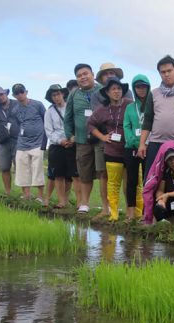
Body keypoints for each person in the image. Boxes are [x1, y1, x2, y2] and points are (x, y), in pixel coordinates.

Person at [138, 55, 174, 180]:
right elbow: (148, 119)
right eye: (163, 72)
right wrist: (142, 143)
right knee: (151, 179)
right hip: (156, 143)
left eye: (169, 71)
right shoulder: (153, 93)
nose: (166, 74)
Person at [64, 63, 108, 215]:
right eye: (79, 75)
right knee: (84, 173)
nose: (82, 77)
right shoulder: (74, 94)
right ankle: (84, 204)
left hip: (101, 137)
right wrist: (69, 135)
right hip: (82, 140)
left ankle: (105, 207)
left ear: (93, 74)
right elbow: (68, 117)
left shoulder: (103, 90)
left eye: (85, 74)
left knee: (103, 173)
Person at [88, 77, 132, 221]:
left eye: (119, 88)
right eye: (113, 89)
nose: (116, 91)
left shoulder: (130, 105)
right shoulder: (103, 109)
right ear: (107, 92)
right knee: (112, 183)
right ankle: (112, 214)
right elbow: (90, 124)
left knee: (129, 181)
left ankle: (129, 211)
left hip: (128, 148)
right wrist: (102, 137)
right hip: (111, 150)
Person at [43, 83, 79, 209]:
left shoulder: (71, 108)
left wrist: (73, 138)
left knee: (71, 175)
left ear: (63, 94)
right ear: (51, 97)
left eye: (58, 94)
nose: (56, 97)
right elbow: (49, 131)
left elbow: (77, 124)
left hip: (72, 143)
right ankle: (61, 201)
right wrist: (60, 141)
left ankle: (66, 198)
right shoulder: (49, 112)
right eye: (53, 95)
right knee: (58, 175)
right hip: (57, 145)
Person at [10, 83, 47, 201]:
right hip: (22, 143)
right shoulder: (15, 110)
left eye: (21, 92)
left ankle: (40, 196)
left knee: (37, 168)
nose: (20, 95)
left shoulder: (38, 105)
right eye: (17, 93)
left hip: (37, 141)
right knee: (21, 169)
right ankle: (26, 194)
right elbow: (17, 123)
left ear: (26, 92)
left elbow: (46, 120)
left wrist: (45, 141)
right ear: (14, 95)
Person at [123, 74, 151, 222]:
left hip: (148, 147)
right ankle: (131, 213)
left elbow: (154, 125)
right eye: (138, 86)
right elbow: (126, 126)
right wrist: (135, 142)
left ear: (148, 87)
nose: (141, 89)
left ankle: (146, 213)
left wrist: (145, 144)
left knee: (148, 181)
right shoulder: (129, 107)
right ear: (134, 88)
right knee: (131, 181)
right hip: (131, 148)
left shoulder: (153, 105)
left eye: (144, 86)